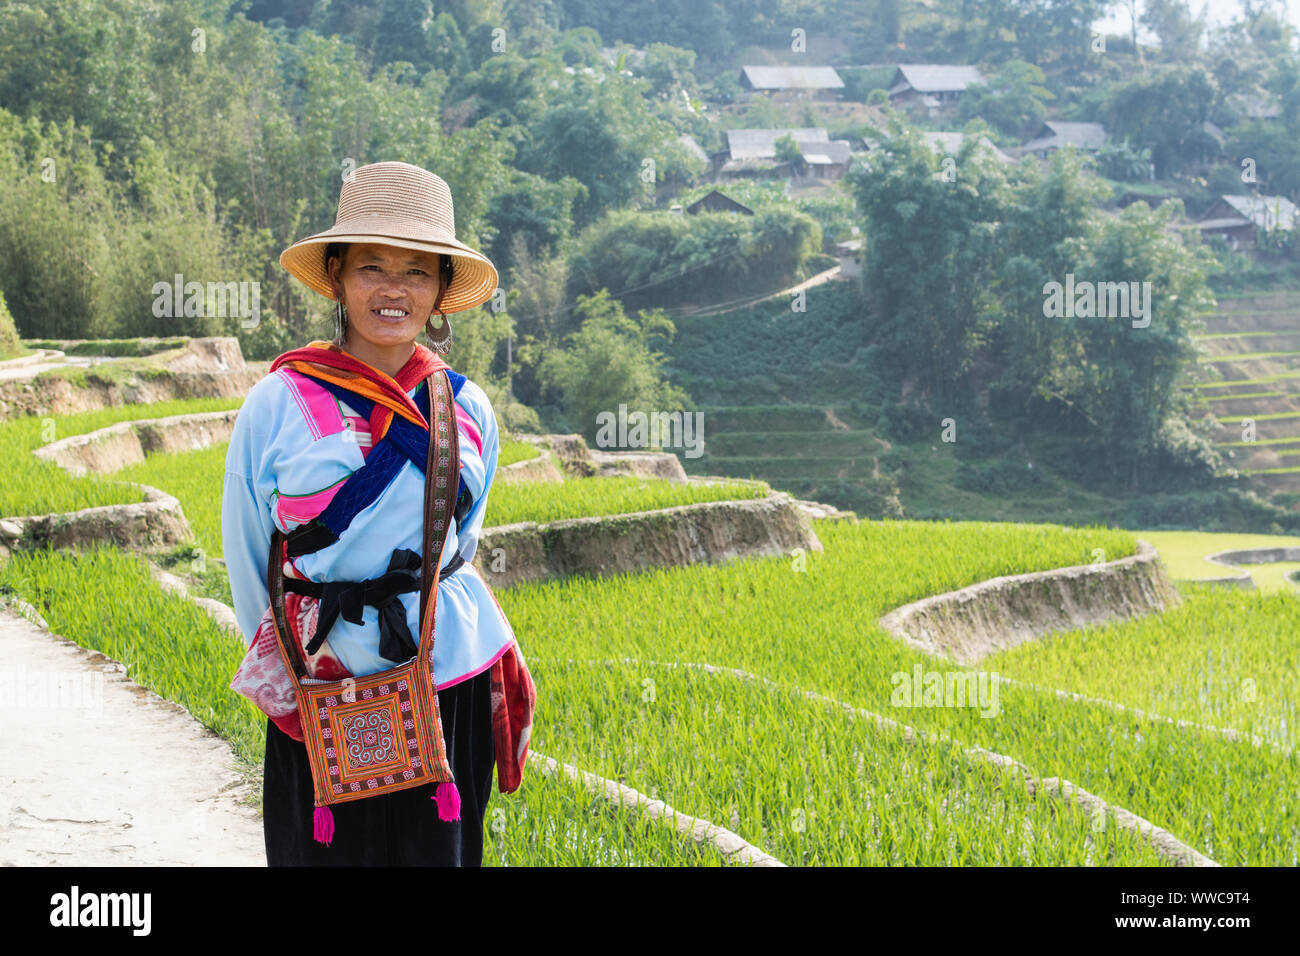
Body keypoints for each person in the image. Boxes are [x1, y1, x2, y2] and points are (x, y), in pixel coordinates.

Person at [221, 161, 519, 866]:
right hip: (323, 681)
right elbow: (247, 553)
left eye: (417, 272)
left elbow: (458, 550)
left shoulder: (469, 407)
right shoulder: (279, 403)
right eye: (371, 268)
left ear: (442, 289)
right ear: (339, 277)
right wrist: (299, 663)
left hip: (446, 676)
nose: (394, 289)